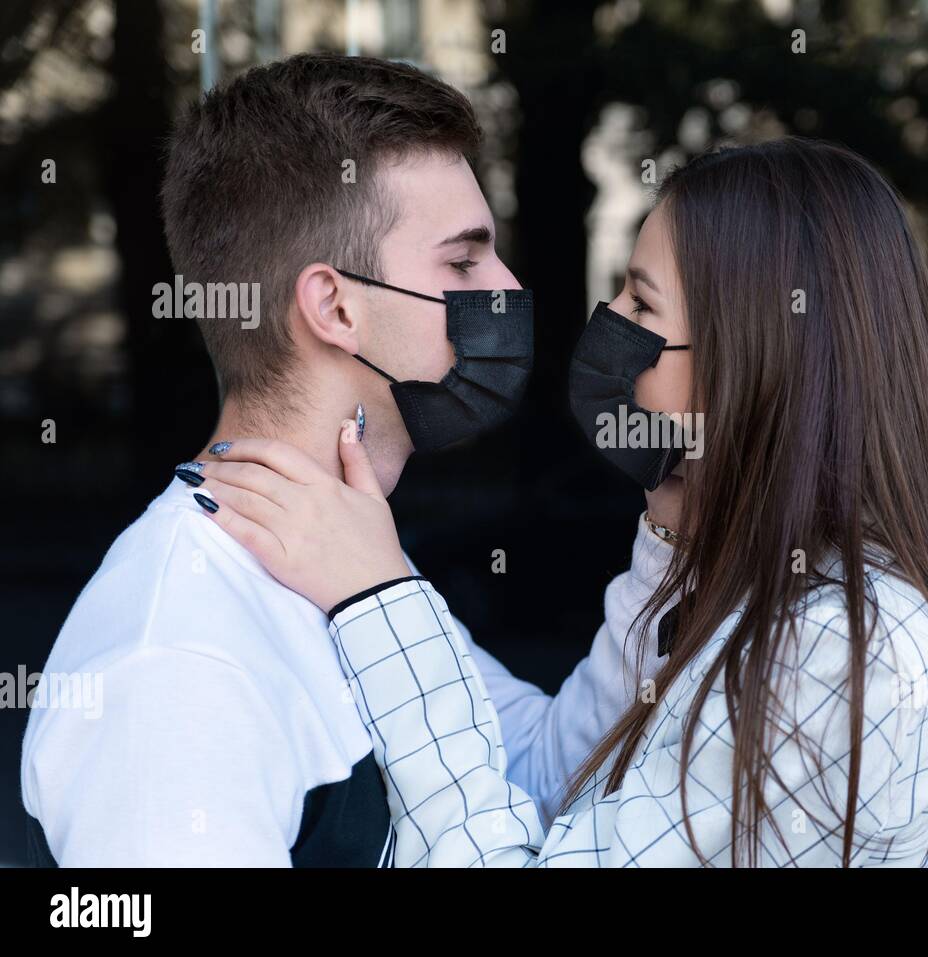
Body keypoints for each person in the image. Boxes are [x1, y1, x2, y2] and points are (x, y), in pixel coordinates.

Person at [195, 139, 928, 866]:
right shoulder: (763, 593)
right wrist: (369, 577)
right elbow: (555, 772)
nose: (606, 325)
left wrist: (378, 598)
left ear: (748, 359)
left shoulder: (841, 650)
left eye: (641, 302)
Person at [21, 53, 664, 866]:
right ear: (334, 306)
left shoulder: (349, 559)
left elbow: (534, 774)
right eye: (463, 260)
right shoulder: (176, 667)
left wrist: (677, 518)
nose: (506, 285)